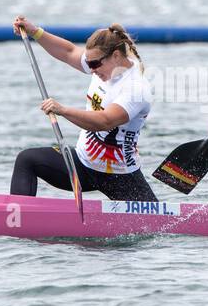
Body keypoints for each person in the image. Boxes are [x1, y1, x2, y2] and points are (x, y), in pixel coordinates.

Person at [10, 16, 160, 202]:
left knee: (154, 228)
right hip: (82, 164)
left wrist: (63, 110)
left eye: (95, 64)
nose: (91, 69)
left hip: (119, 175)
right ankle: (18, 216)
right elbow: (68, 51)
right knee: (27, 160)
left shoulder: (136, 88)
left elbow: (105, 121)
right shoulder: (101, 64)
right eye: (89, 64)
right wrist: (34, 32)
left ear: (115, 55)